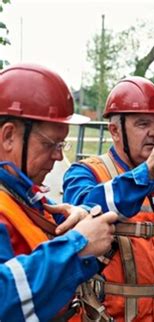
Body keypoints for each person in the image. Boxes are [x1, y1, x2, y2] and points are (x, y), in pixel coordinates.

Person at [62, 76, 154, 322]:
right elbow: (84, 213)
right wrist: (146, 174)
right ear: (114, 130)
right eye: (143, 124)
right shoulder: (85, 173)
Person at [0, 63, 118, 321]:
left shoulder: (23, 194)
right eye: (50, 143)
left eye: (62, 143)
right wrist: (76, 245)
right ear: (8, 136)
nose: (58, 155)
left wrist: (82, 216)